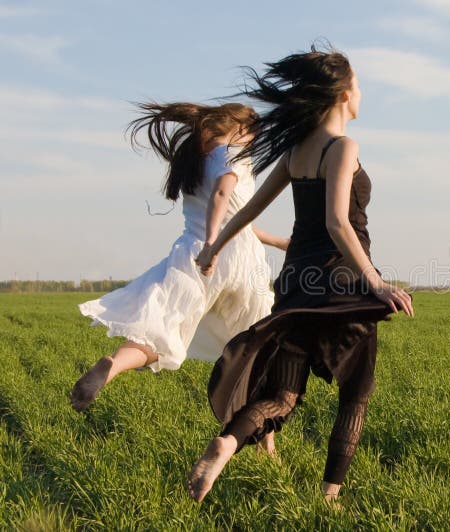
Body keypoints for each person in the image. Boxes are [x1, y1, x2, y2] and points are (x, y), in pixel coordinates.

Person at [188, 46, 414, 503]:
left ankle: (227, 443)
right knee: (356, 392)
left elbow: (247, 210)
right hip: (341, 282)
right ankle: (329, 497)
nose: (361, 93)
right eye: (359, 85)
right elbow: (338, 223)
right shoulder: (342, 147)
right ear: (343, 94)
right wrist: (374, 281)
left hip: (295, 284)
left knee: (284, 396)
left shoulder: (295, 151)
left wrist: (214, 246)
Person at [71, 102, 289, 439]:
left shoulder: (195, 163)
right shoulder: (232, 154)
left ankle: (113, 366)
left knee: (160, 331)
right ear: (239, 129)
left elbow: (235, 217)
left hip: (191, 256)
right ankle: (265, 444)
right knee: (258, 351)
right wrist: (213, 244)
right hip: (234, 259)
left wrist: (276, 241)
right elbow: (223, 194)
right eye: (252, 133)